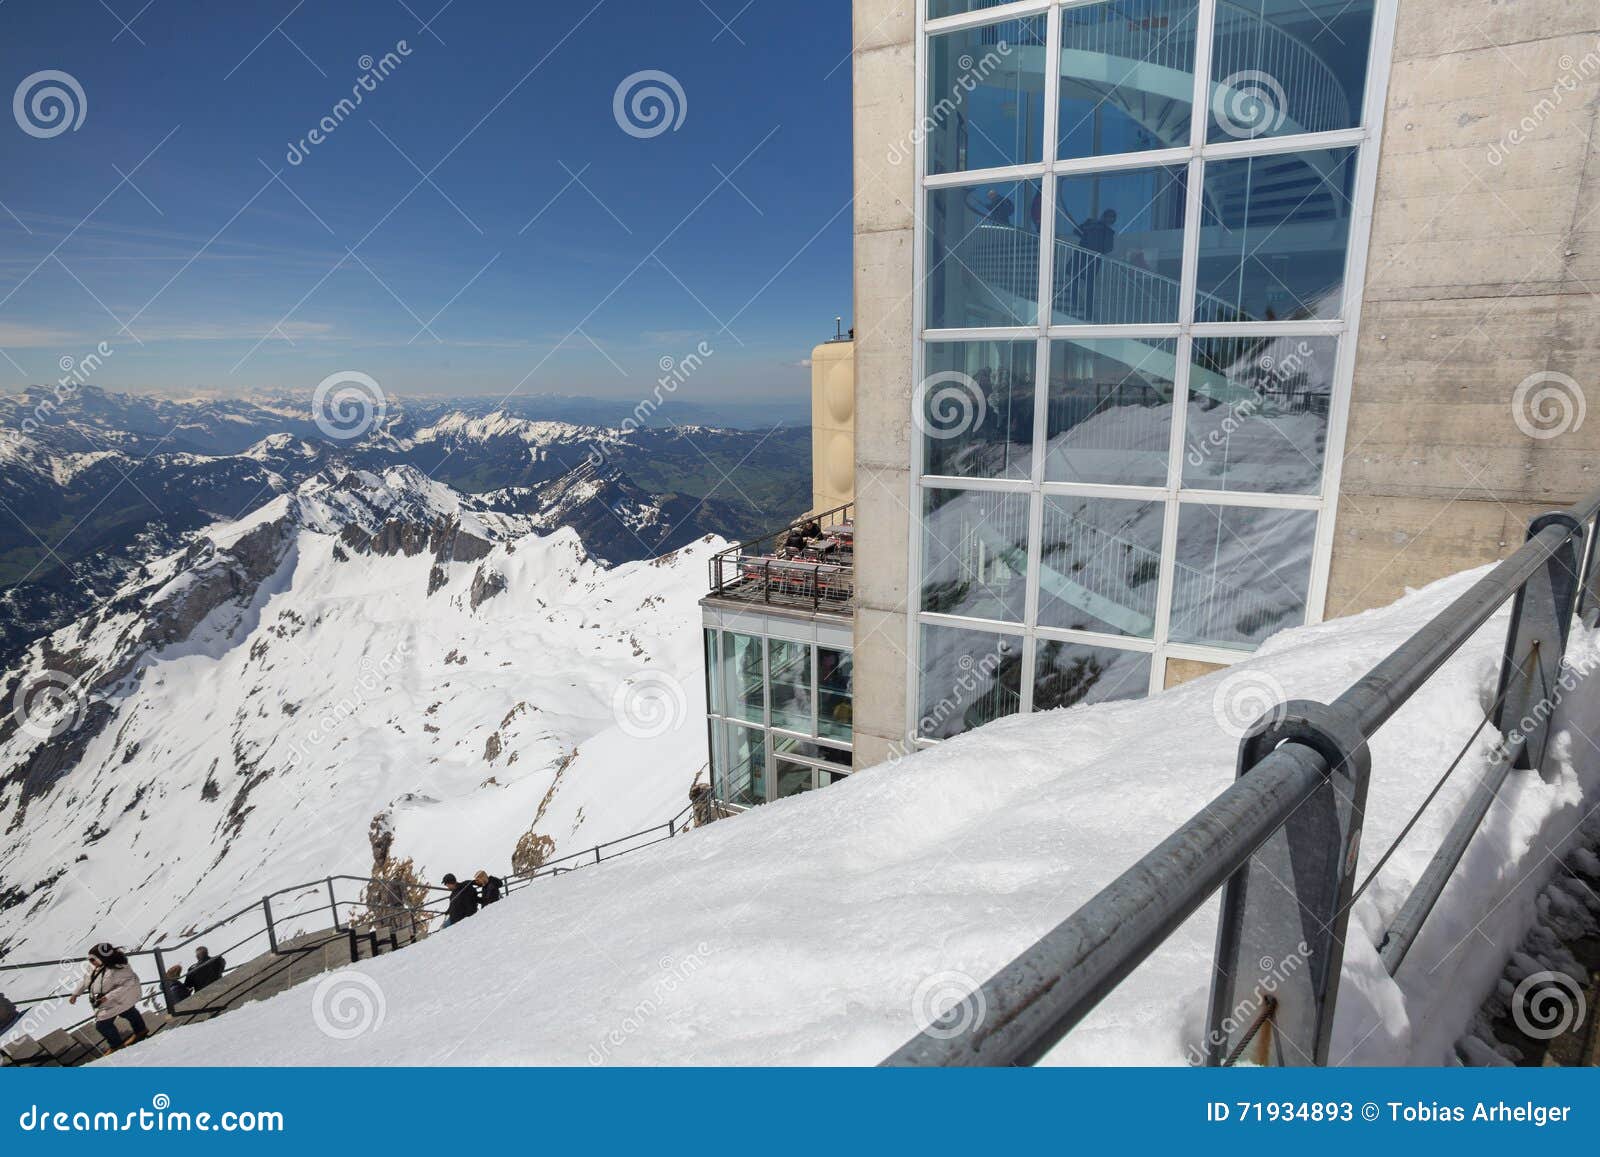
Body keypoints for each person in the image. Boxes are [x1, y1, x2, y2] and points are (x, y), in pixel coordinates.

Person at [68, 943, 147, 1053]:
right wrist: (76, 994)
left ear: (101, 958)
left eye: (92, 959)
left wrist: (108, 997)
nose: (90, 962)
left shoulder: (119, 968)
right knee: (128, 1012)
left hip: (119, 998)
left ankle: (116, 1045)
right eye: (89, 959)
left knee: (102, 1025)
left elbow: (129, 983)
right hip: (112, 1000)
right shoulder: (94, 967)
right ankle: (141, 1030)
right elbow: (87, 980)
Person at [1073, 209, 1118, 320]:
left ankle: (1087, 312)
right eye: (1108, 217)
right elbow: (1076, 231)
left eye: (1111, 218)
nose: (1109, 220)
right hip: (1083, 256)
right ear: (1104, 217)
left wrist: (1096, 246)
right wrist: (1089, 229)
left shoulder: (1108, 232)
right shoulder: (1091, 223)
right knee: (1076, 280)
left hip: (1091, 259)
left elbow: (1108, 248)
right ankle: (1076, 305)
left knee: (1088, 285)